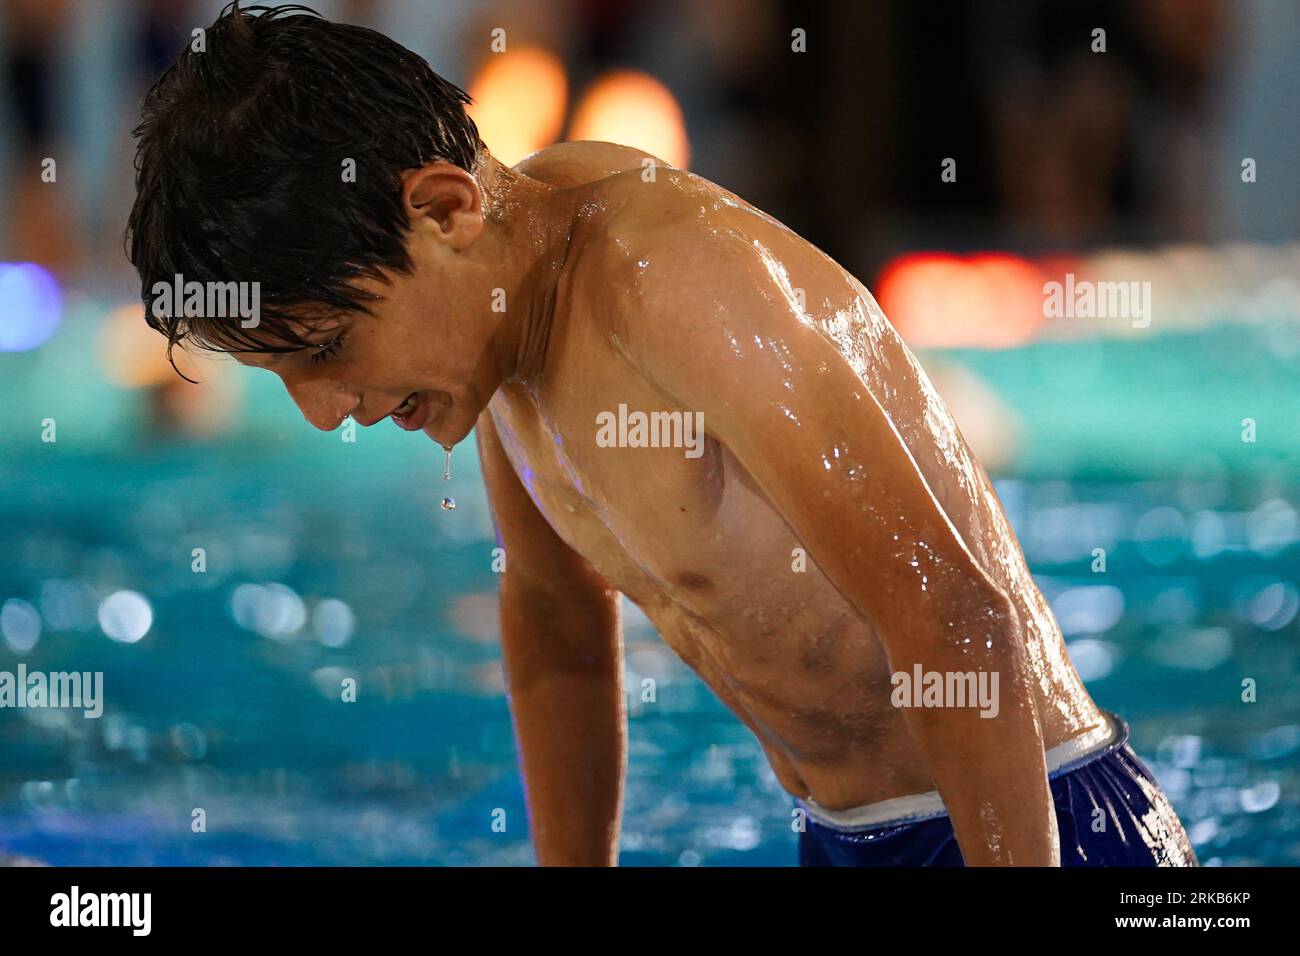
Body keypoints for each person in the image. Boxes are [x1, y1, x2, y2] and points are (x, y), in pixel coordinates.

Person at [127, 3, 1196, 867]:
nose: (326, 411)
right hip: (853, 833)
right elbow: (554, 630)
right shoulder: (499, 329)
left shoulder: (670, 284)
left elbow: (952, 611)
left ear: (445, 210)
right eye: (287, 377)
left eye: (330, 350)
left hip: (1040, 816)